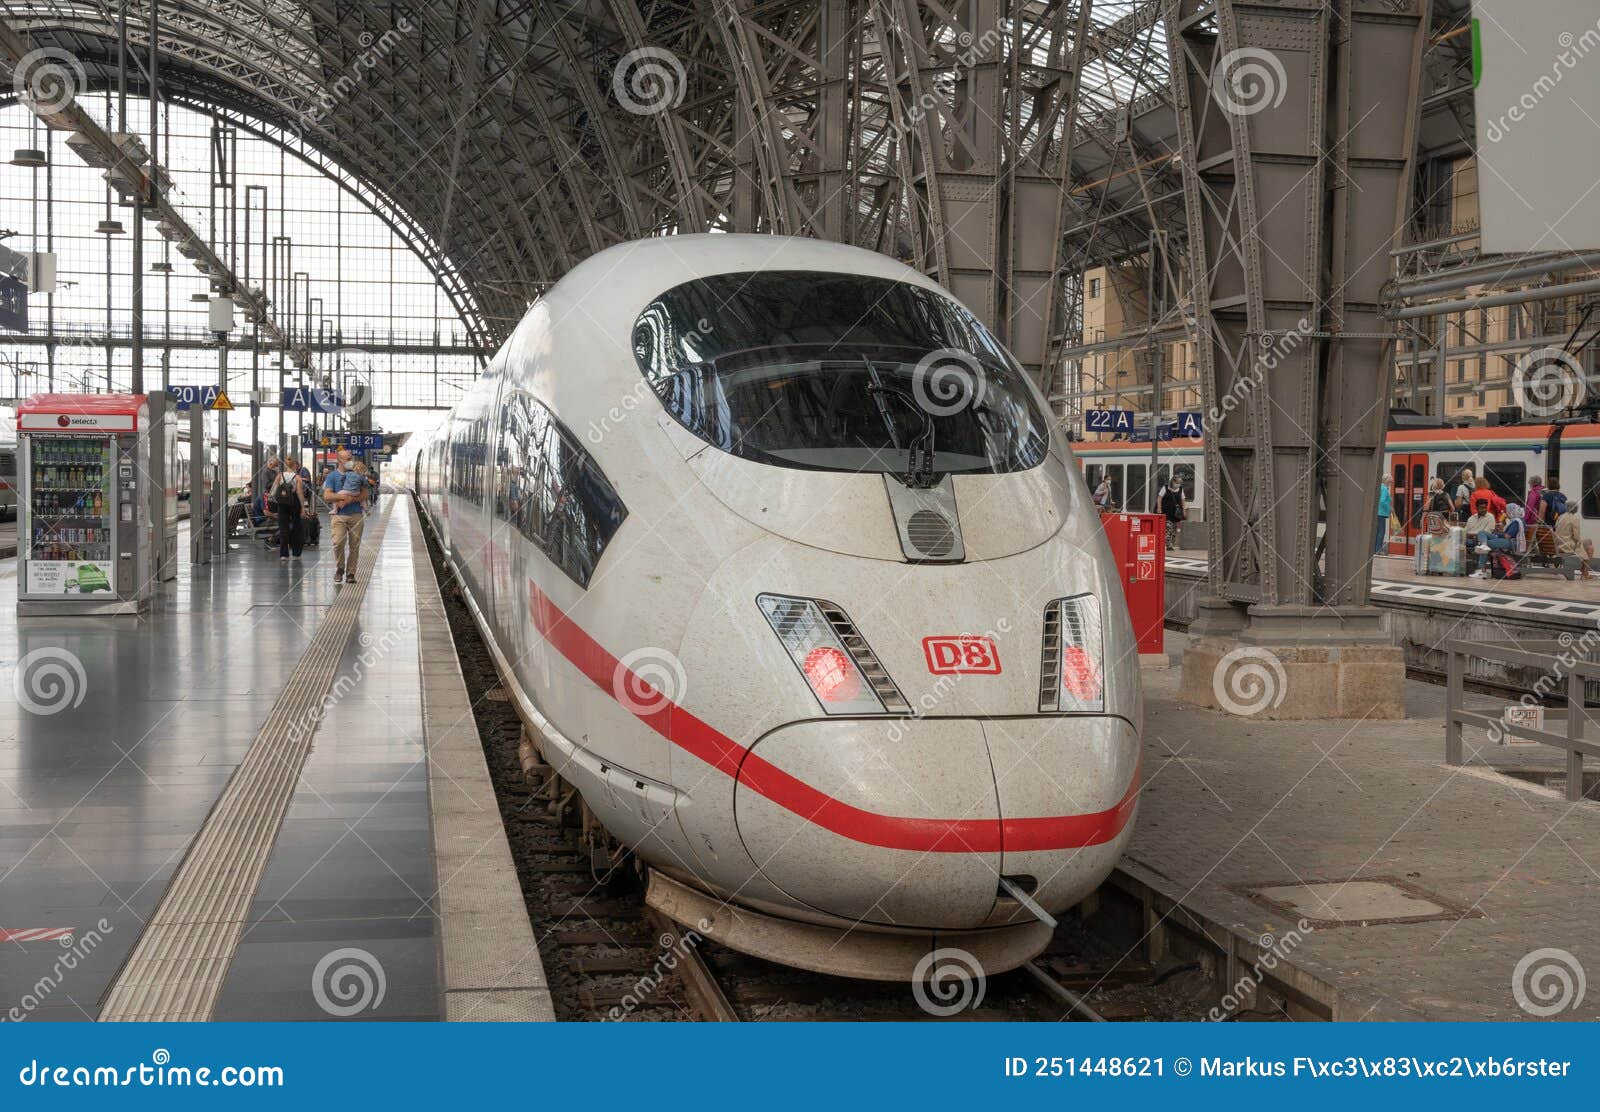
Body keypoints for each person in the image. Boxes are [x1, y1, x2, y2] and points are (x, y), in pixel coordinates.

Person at [323, 448, 366, 583]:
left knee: (355, 545)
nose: (350, 461)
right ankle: (340, 567)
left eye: (351, 458)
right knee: (338, 542)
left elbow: (365, 494)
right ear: (339, 460)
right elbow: (327, 495)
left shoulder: (358, 474)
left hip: (356, 514)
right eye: (347, 459)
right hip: (339, 516)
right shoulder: (332, 476)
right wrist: (342, 497)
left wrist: (351, 499)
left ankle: (350, 573)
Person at [269, 459, 309, 561]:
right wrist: (303, 508)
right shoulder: (297, 478)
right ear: (295, 466)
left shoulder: (279, 476)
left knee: (283, 529)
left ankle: (284, 555)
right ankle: (296, 553)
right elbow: (300, 493)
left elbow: (272, 492)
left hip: (282, 504)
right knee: (297, 527)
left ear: (286, 465)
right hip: (294, 503)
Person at [1471, 503, 1525, 578]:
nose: (1506, 513)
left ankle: (1482, 570)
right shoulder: (1514, 521)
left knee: (1486, 545)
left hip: (1511, 543)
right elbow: (1506, 534)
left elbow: (1507, 536)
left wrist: (1498, 535)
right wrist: (1500, 529)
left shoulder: (1516, 522)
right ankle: (1483, 544)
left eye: (1507, 511)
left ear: (1511, 511)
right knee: (1482, 532)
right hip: (1506, 541)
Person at [1555, 504, 1596, 579]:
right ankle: (1584, 572)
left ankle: (1584, 571)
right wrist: (1579, 542)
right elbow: (1576, 536)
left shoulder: (1560, 517)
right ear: (1575, 509)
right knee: (1590, 548)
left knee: (1588, 541)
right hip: (1567, 546)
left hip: (1558, 545)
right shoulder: (1574, 519)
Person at [1159, 476, 1185, 551]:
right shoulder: (1165, 488)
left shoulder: (1180, 489)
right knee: (1168, 528)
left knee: (1174, 529)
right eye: (1177, 483)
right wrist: (1159, 508)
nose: (1178, 484)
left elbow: (1183, 500)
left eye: (1179, 483)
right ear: (1173, 482)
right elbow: (1159, 498)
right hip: (1166, 511)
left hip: (1176, 512)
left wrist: (1184, 510)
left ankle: (1172, 543)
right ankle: (1168, 545)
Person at [1375, 474, 1393, 554]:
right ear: (1387, 481)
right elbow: (1382, 501)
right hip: (1381, 513)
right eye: (1390, 482)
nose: (1390, 483)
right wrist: (1389, 508)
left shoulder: (1381, 487)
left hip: (1378, 513)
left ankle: (1375, 549)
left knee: (1378, 532)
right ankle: (1378, 550)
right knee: (1381, 532)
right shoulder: (1385, 489)